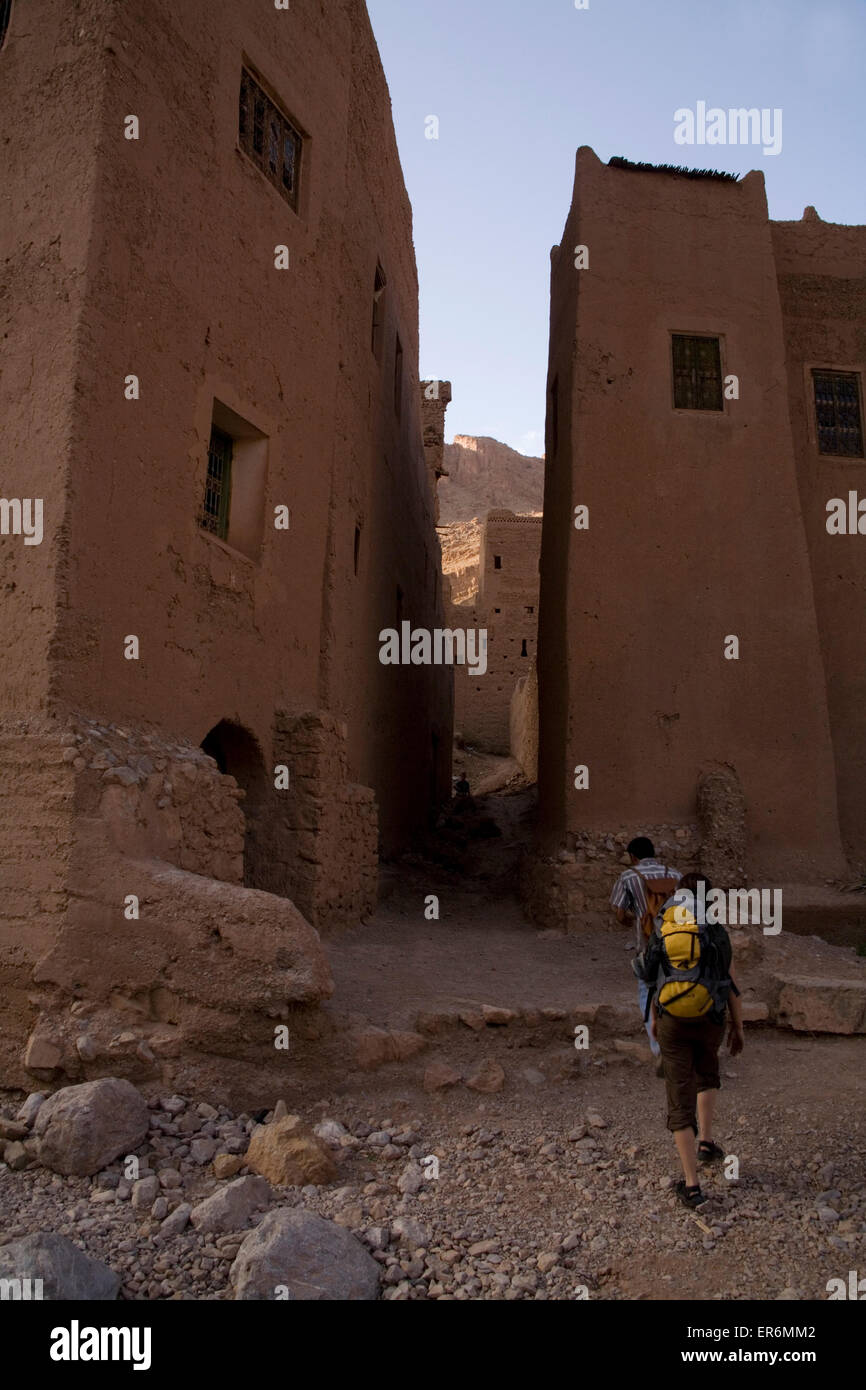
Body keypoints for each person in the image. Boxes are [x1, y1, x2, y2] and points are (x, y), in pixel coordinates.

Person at [644, 872, 744, 1210]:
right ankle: (706, 1142)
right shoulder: (714, 928)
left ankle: (691, 1185)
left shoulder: (666, 921)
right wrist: (738, 1027)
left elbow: (652, 975)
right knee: (707, 1072)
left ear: (678, 892)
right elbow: (730, 982)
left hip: (671, 1018)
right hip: (710, 1017)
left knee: (678, 1093)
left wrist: (655, 1020)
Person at [610, 837, 680, 1067]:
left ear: (633, 856)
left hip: (648, 944)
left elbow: (619, 913)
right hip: (678, 942)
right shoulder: (676, 874)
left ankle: (658, 1046)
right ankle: (680, 1044)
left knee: (647, 992)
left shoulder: (629, 876)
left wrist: (634, 921)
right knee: (675, 990)